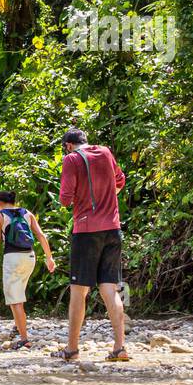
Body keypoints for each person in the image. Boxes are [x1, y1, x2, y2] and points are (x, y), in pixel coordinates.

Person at [56, 128, 129, 361]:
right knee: (110, 288)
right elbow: (120, 181)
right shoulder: (106, 152)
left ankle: (72, 349)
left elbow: (65, 199)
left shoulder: (71, 159)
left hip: (86, 231)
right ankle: (119, 348)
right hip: (113, 229)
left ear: (68, 145)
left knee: (79, 290)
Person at [0, 191, 55, 348]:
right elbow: (41, 235)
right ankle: (18, 327)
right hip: (30, 258)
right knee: (16, 296)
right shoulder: (27, 213)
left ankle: (24, 339)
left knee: (15, 299)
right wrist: (49, 257)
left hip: (13, 258)